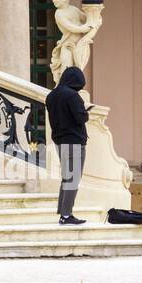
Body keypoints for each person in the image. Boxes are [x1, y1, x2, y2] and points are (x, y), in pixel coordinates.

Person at [46, 66, 89, 225]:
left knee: (66, 177)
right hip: (75, 141)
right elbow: (80, 118)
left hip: (59, 142)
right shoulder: (72, 96)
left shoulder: (51, 96)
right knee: (73, 179)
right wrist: (86, 112)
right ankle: (66, 215)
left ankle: (63, 211)